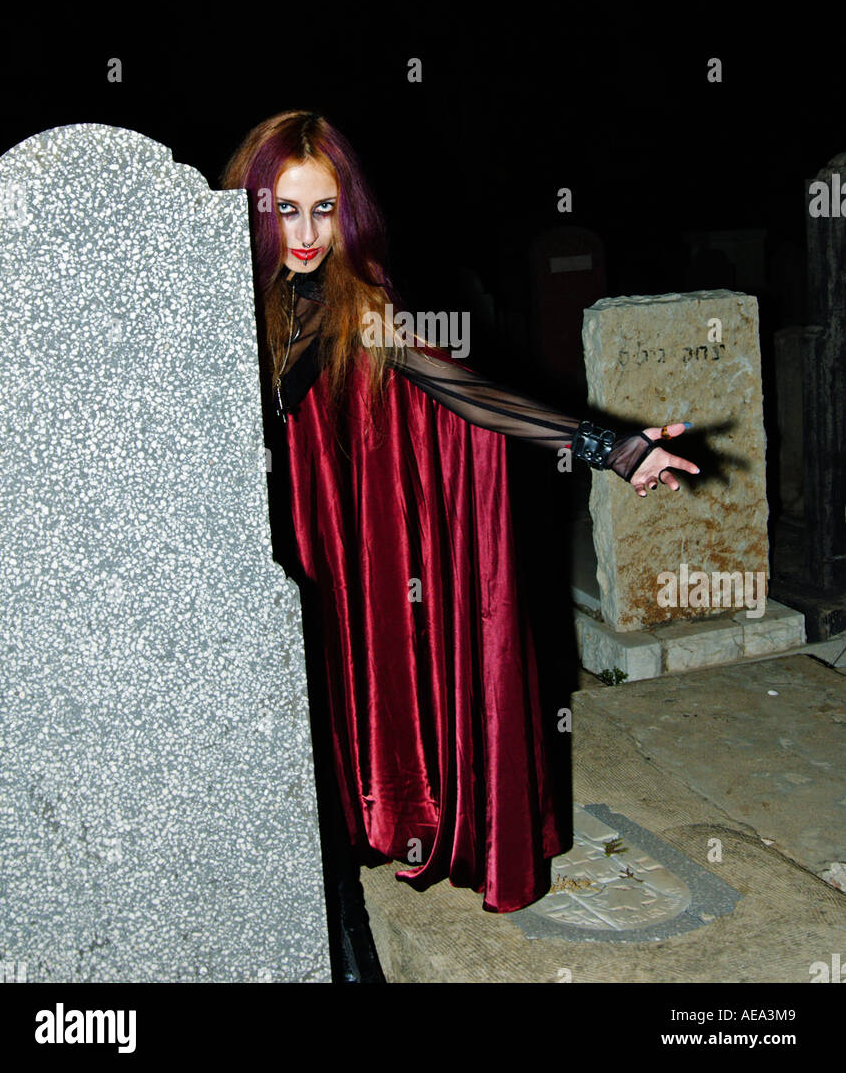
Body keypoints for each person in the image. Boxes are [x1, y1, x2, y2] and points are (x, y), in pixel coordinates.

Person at [220, 109, 699, 969]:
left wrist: (614, 449)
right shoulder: (209, 298)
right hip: (220, 550)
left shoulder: (358, 309)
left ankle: (344, 943)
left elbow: (470, 392)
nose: (307, 234)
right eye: (285, 210)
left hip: (307, 559)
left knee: (313, 750)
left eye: (324, 210)